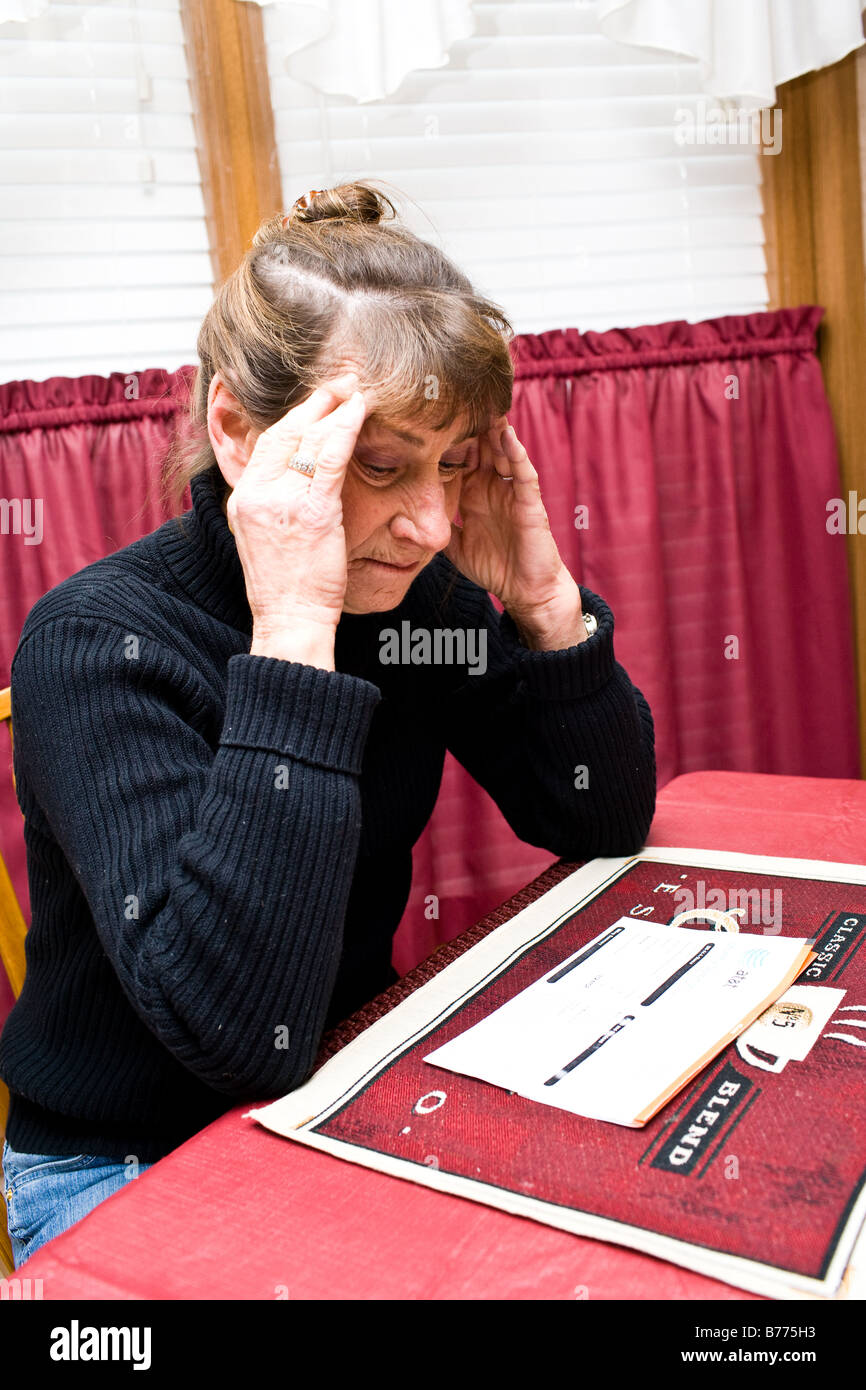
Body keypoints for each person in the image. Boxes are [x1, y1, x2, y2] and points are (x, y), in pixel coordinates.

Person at [0, 181, 655, 1268]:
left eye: (453, 463)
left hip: (342, 1083)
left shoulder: (413, 605)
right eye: (381, 465)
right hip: (124, 1154)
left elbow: (599, 815)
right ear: (235, 431)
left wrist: (543, 603)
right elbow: (233, 1034)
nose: (431, 522)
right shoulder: (96, 641)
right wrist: (294, 627)